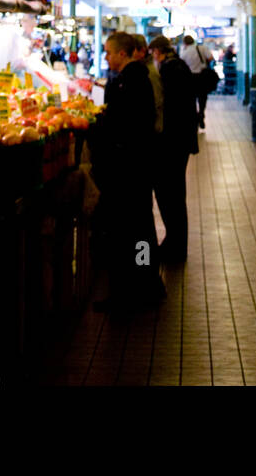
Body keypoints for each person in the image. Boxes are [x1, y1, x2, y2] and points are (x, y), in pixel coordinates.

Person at [87, 31, 163, 315]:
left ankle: (131, 289)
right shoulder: (135, 78)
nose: (105, 57)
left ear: (122, 53)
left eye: (108, 52)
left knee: (128, 231)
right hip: (137, 167)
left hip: (128, 169)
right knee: (140, 228)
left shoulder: (129, 82)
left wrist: (98, 128)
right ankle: (147, 283)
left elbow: (123, 125)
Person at [149, 35, 198, 263]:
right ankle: (175, 243)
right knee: (175, 193)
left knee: (171, 194)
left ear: (157, 52)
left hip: (173, 141)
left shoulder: (169, 70)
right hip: (182, 139)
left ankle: (175, 246)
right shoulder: (179, 65)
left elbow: (169, 107)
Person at [180, 34, 216, 129]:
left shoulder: (184, 53)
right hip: (202, 76)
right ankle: (201, 114)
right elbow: (211, 58)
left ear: (185, 43)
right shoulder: (202, 48)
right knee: (202, 98)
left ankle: (195, 117)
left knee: (191, 98)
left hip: (190, 78)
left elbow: (181, 63)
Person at [131, 33, 163, 135]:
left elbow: (157, 102)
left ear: (142, 51)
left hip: (150, 130)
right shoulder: (142, 69)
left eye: (130, 51)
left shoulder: (148, 72)